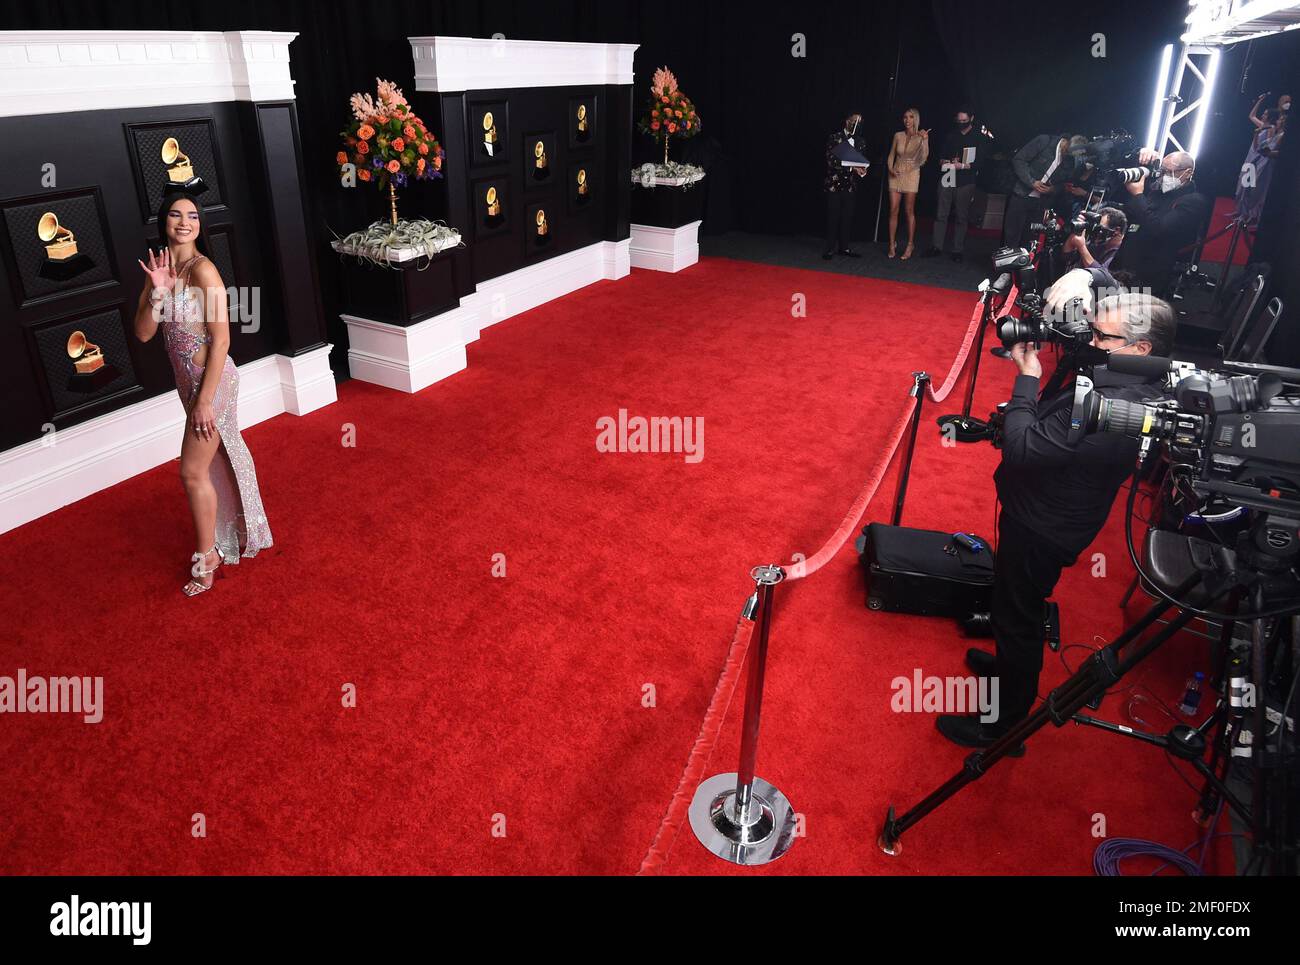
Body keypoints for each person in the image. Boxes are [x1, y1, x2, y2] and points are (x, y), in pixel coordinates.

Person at [937, 292, 1177, 748]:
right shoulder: (1132, 380)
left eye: (1102, 335)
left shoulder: (1116, 407)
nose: (1090, 340)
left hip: (1043, 526)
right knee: (1012, 600)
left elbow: (1023, 449)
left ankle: (1004, 725)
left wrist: (1027, 379)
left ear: (1142, 349)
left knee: (1018, 614)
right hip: (1049, 512)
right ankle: (1009, 670)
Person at [133, 194, 273, 595]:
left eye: (192, 215)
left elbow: (223, 339)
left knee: (192, 470)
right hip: (186, 382)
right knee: (217, 460)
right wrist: (158, 291)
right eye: (176, 214)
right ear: (164, 222)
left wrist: (206, 400)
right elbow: (143, 333)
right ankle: (240, 528)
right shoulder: (159, 269)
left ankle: (206, 554)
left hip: (212, 380)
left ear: (200, 224)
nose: (184, 222)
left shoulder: (203, 270)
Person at [1113, 150, 1210, 298]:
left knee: (1135, 318)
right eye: (1162, 171)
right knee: (1105, 315)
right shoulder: (1155, 191)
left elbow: (1159, 229)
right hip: (1121, 268)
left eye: (1169, 171)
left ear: (1188, 172)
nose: (1164, 176)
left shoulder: (1194, 201)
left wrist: (1138, 196)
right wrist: (1141, 156)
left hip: (1149, 278)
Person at [922, 106, 986, 262]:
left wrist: (963, 165)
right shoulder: (951, 136)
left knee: (961, 216)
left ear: (971, 119)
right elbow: (941, 158)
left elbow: (980, 163)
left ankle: (957, 250)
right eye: (959, 121)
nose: (961, 123)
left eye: (964, 120)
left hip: (966, 178)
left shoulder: (979, 137)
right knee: (941, 213)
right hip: (948, 174)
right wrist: (947, 162)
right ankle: (936, 246)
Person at [1003, 133, 1085, 250]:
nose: (1068, 154)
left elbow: (1064, 184)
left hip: (1041, 203)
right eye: (1068, 150)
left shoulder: (1069, 160)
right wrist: (1031, 182)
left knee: (1029, 240)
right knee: (1011, 235)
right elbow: (1019, 159)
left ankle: (1021, 266)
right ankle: (1005, 265)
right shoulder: (1045, 141)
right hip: (1021, 194)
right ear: (1066, 142)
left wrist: (1052, 189)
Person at [822, 112, 870, 259]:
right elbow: (832, 161)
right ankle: (829, 248)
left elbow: (860, 161)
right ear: (847, 121)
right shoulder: (835, 138)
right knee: (833, 216)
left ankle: (844, 248)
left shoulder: (861, 142)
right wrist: (852, 167)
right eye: (854, 121)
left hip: (850, 185)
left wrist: (862, 170)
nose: (856, 124)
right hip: (834, 184)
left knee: (847, 217)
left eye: (859, 122)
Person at [886, 107, 929, 260]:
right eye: (905, 117)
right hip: (896, 173)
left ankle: (910, 244)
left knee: (909, 210)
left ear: (915, 119)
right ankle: (892, 244)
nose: (907, 120)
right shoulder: (897, 135)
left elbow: (923, 159)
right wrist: (891, 169)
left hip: (912, 174)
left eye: (910, 117)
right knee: (893, 210)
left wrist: (924, 140)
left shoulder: (921, 136)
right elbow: (891, 155)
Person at [1235, 107, 1286, 226]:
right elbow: (1258, 146)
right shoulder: (1269, 129)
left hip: (1264, 162)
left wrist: (1267, 152)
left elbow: (1270, 150)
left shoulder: (1274, 131)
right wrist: (1256, 135)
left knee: (1256, 191)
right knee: (1245, 186)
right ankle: (1242, 213)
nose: (1263, 115)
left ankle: (1252, 216)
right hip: (1255, 158)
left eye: (1265, 114)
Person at [1061, 205, 1127, 273]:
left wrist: (1082, 247)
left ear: (1116, 230)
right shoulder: (1097, 244)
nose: (1096, 233)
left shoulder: (1124, 252)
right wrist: (1077, 230)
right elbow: (1067, 256)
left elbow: (1102, 276)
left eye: (1100, 229)